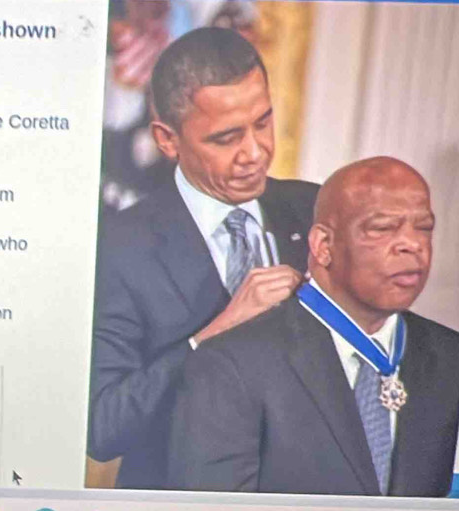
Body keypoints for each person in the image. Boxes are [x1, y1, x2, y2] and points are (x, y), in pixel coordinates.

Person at [87, 26, 319, 488]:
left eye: (263, 122)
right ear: (167, 140)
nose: (255, 153)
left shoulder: (318, 211)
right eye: (226, 137)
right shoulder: (119, 246)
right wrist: (212, 335)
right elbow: (103, 427)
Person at [168, 157, 459, 496]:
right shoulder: (231, 366)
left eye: (423, 228)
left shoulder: (450, 356)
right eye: (382, 228)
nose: (413, 244)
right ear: (323, 246)